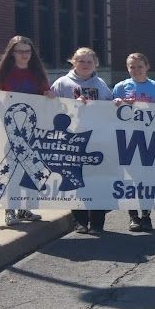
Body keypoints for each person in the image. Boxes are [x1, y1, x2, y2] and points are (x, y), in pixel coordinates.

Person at [0, 35, 56, 227]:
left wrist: (49, 95)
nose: (24, 55)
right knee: (10, 168)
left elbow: (45, 92)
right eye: (20, 51)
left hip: (32, 127)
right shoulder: (2, 72)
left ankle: (25, 207)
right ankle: (10, 210)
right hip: (9, 128)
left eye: (27, 51)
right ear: (12, 53)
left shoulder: (38, 72)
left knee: (28, 168)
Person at [50, 47, 112, 234]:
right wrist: (50, 98)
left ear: (96, 64)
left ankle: (98, 222)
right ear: (73, 62)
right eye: (81, 61)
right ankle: (80, 221)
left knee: (97, 179)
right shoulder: (62, 83)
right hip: (71, 139)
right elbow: (48, 106)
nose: (85, 65)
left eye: (89, 62)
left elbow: (110, 109)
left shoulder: (101, 84)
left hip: (97, 138)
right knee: (74, 180)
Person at [112, 52, 155, 232]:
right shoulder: (120, 87)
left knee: (147, 180)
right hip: (127, 140)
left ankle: (146, 215)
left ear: (147, 66)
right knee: (131, 180)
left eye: (139, 66)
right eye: (132, 67)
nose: (136, 70)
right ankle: (133, 215)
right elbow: (110, 113)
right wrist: (117, 103)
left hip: (150, 140)